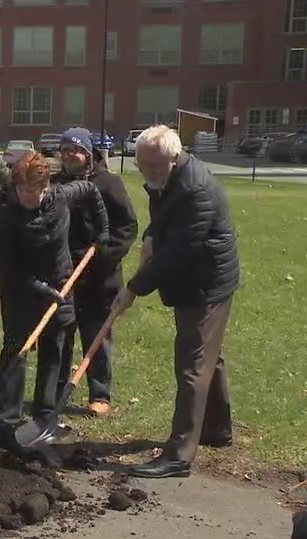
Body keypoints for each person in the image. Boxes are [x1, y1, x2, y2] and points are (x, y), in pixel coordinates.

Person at [114, 124, 240, 479]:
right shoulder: (166, 176)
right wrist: (151, 235)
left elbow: (179, 252)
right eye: (142, 166)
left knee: (193, 362)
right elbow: (164, 221)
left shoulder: (196, 188)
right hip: (193, 274)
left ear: (175, 156)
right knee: (207, 357)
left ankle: (179, 455)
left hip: (206, 282)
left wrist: (134, 288)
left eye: (153, 167)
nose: (148, 173)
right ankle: (216, 430)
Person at [0, 153, 107, 427]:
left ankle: (45, 414)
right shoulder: (7, 217)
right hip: (22, 289)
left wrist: (102, 230)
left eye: (34, 191)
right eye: (22, 190)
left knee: (55, 350)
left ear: (46, 187)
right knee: (17, 346)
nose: (27, 196)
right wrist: (40, 289)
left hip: (62, 282)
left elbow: (91, 190)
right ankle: (8, 412)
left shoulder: (62, 196)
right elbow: (8, 268)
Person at [52, 127, 138, 418]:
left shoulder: (108, 184)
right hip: (65, 272)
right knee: (62, 333)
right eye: (64, 150)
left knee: (96, 334)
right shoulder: (58, 184)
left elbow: (127, 226)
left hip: (99, 274)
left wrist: (104, 255)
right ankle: (57, 389)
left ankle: (99, 394)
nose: (68, 155)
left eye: (74, 150)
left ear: (88, 154)